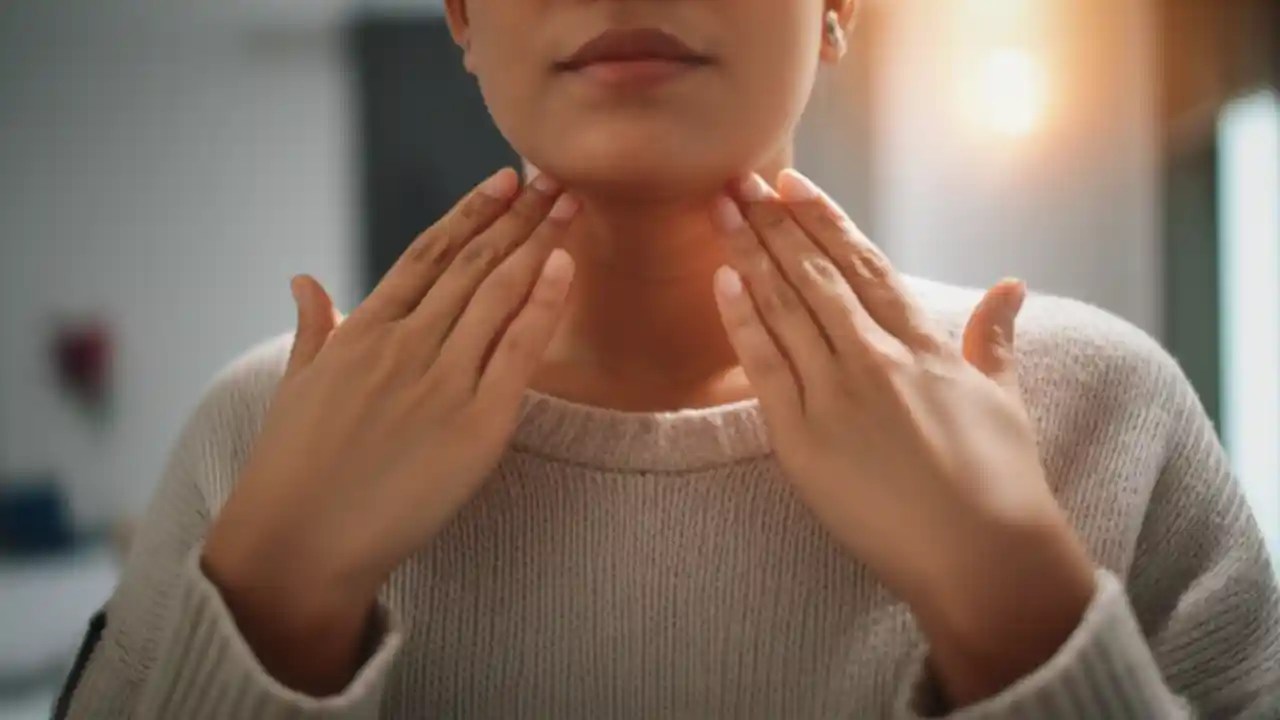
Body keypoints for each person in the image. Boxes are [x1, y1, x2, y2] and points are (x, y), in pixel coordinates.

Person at [58, 1, 1280, 718]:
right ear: (461, 14)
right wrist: (270, 596)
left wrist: (1017, 605)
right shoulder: (262, 428)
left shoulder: (1095, 412)